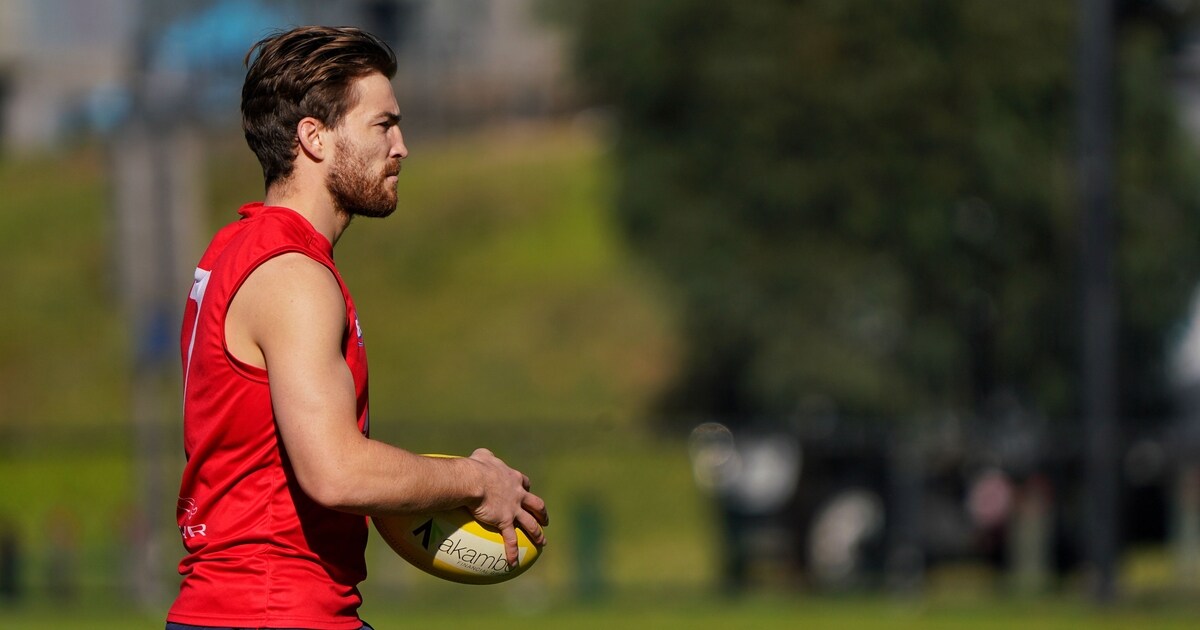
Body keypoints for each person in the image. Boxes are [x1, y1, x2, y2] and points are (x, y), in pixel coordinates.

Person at [166, 26, 548, 630]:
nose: (402, 147)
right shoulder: (293, 276)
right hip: (273, 612)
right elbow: (336, 472)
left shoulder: (238, 248)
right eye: (382, 125)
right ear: (314, 137)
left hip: (243, 608)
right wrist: (475, 483)